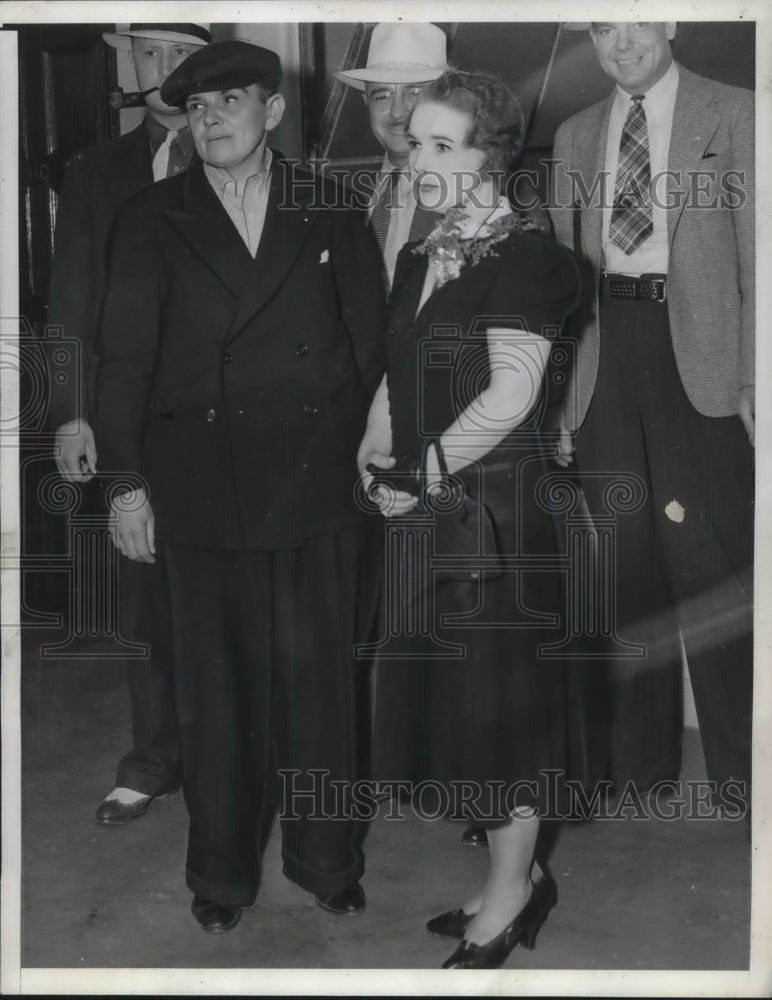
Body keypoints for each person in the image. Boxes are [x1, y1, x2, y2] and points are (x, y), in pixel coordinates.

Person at [95, 40, 385, 933]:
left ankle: (325, 860)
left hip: (314, 489)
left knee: (320, 692)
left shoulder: (332, 208)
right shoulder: (151, 216)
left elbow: (369, 345)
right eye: (197, 108)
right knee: (214, 699)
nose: (211, 120)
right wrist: (127, 485)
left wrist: (371, 460)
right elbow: (123, 362)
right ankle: (220, 878)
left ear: (272, 109)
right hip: (198, 492)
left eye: (228, 103)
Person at [358, 70, 579, 970]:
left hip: (492, 517)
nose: (420, 161)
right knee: (458, 710)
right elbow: (394, 371)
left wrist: (420, 472)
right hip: (424, 504)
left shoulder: (534, 258)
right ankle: (507, 880)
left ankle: (514, 894)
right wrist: (373, 452)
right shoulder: (422, 252)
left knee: (503, 718)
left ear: (493, 158)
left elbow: (513, 393)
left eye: (444, 146)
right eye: (416, 143)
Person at [550, 22, 754, 805]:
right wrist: (565, 393)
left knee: (714, 569)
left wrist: (753, 374)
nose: (622, 40)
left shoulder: (737, 112)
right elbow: (566, 278)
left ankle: (741, 775)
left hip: (699, 354)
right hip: (606, 350)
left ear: (672, 24)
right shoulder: (575, 133)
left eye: (639, 20)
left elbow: (758, 254)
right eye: (604, 26)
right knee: (623, 569)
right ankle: (639, 768)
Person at [47, 22, 211, 824]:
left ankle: (238, 755)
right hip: (126, 411)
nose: (166, 69)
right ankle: (153, 759)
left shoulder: (249, 161)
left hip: (223, 416)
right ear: (128, 59)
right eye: (151, 51)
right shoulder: (95, 172)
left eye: (184, 54)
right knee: (141, 589)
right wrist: (74, 415)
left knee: (231, 589)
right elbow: (71, 299)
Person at [335, 21, 448, 291]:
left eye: (414, 93)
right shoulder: (341, 192)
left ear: (444, 100)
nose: (398, 113)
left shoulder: (473, 191)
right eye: (382, 96)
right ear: (367, 104)